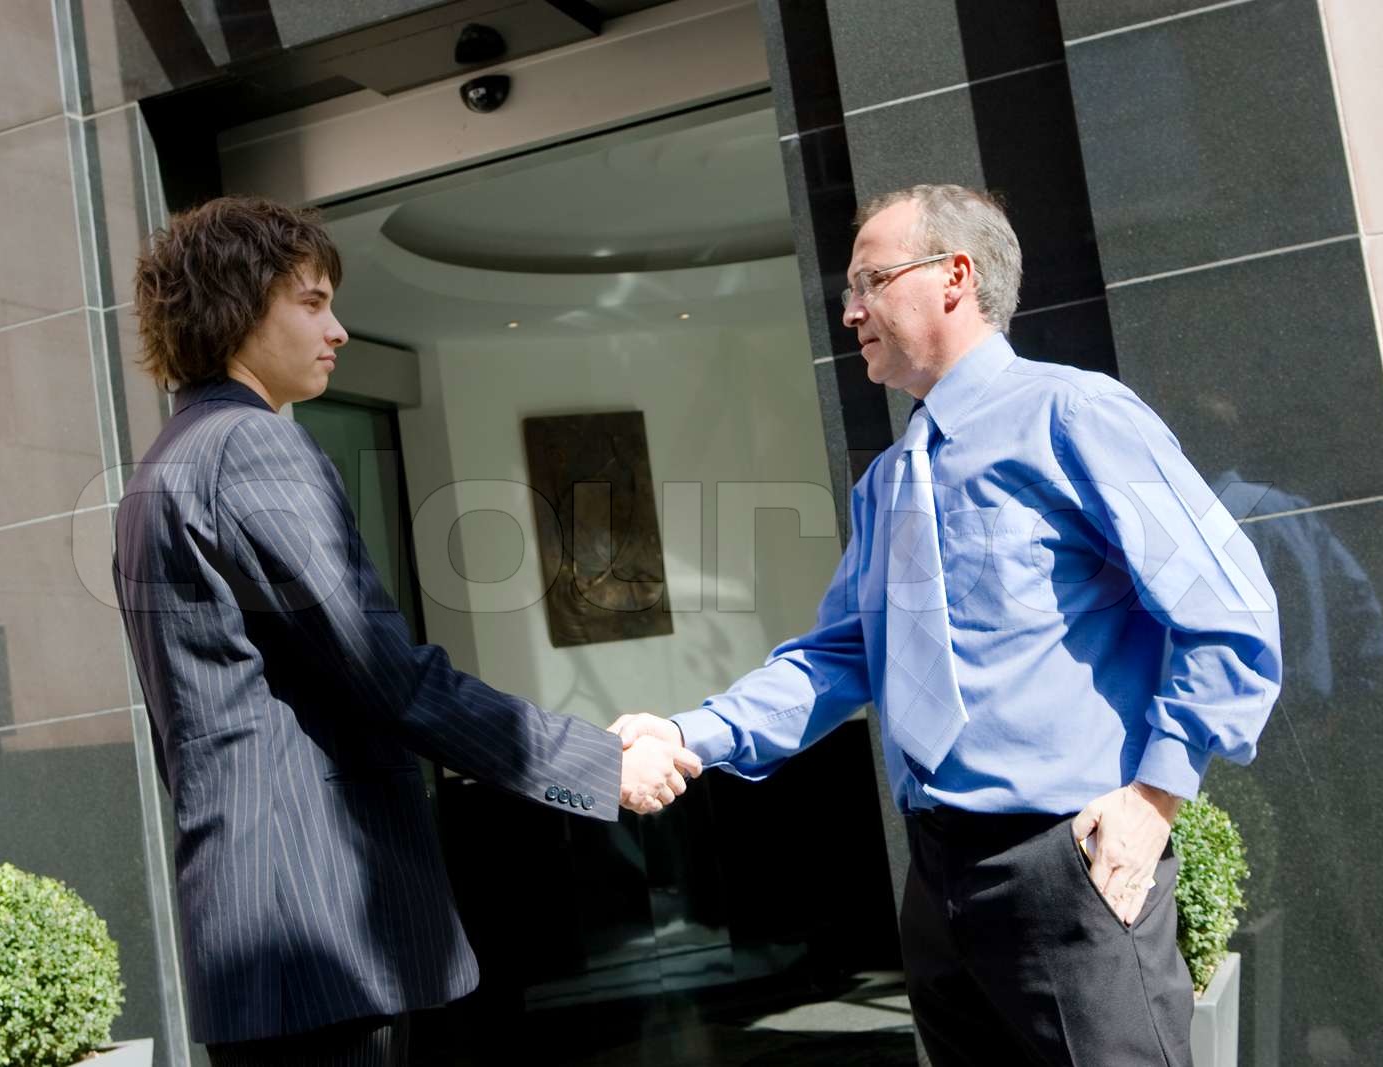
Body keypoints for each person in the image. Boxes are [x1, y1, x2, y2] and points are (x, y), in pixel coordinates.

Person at [613, 184, 1281, 1066]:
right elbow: (838, 656)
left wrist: (1157, 795)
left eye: (870, 281)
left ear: (955, 276)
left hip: (1071, 862)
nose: (850, 311)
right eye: (849, 290)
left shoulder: (1074, 414)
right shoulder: (888, 481)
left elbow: (1228, 610)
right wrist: (687, 734)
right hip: (937, 883)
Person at [113, 196, 701, 1064]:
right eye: (312, 302)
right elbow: (389, 673)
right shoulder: (253, 446)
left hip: (252, 924)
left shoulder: (164, 465)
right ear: (236, 310)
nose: (338, 329)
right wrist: (596, 763)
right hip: (323, 924)